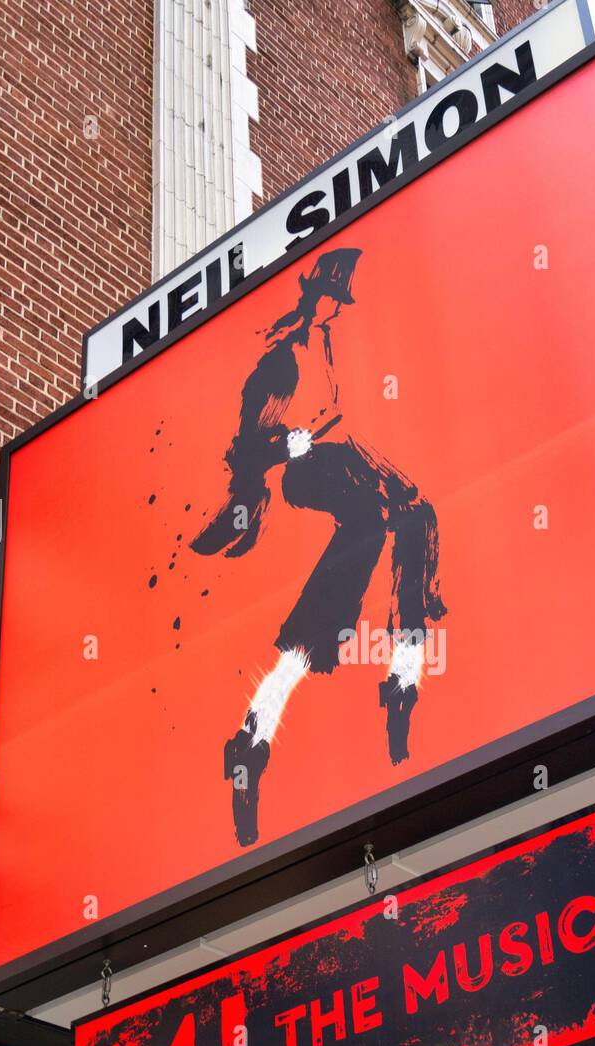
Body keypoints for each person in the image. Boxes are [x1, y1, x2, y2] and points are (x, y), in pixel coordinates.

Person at [191, 247, 446, 846]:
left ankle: (395, 679)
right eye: (334, 298)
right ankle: (398, 670)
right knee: (387, 511)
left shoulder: (323, 344)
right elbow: (252, 447)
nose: (337, 310)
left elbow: (341, 422)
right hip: (304, 472)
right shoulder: (285, 357)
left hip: (339, 462)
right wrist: (292, 445)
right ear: (315, 294)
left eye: (342, 301)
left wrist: (368, 455)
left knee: (409, 513)